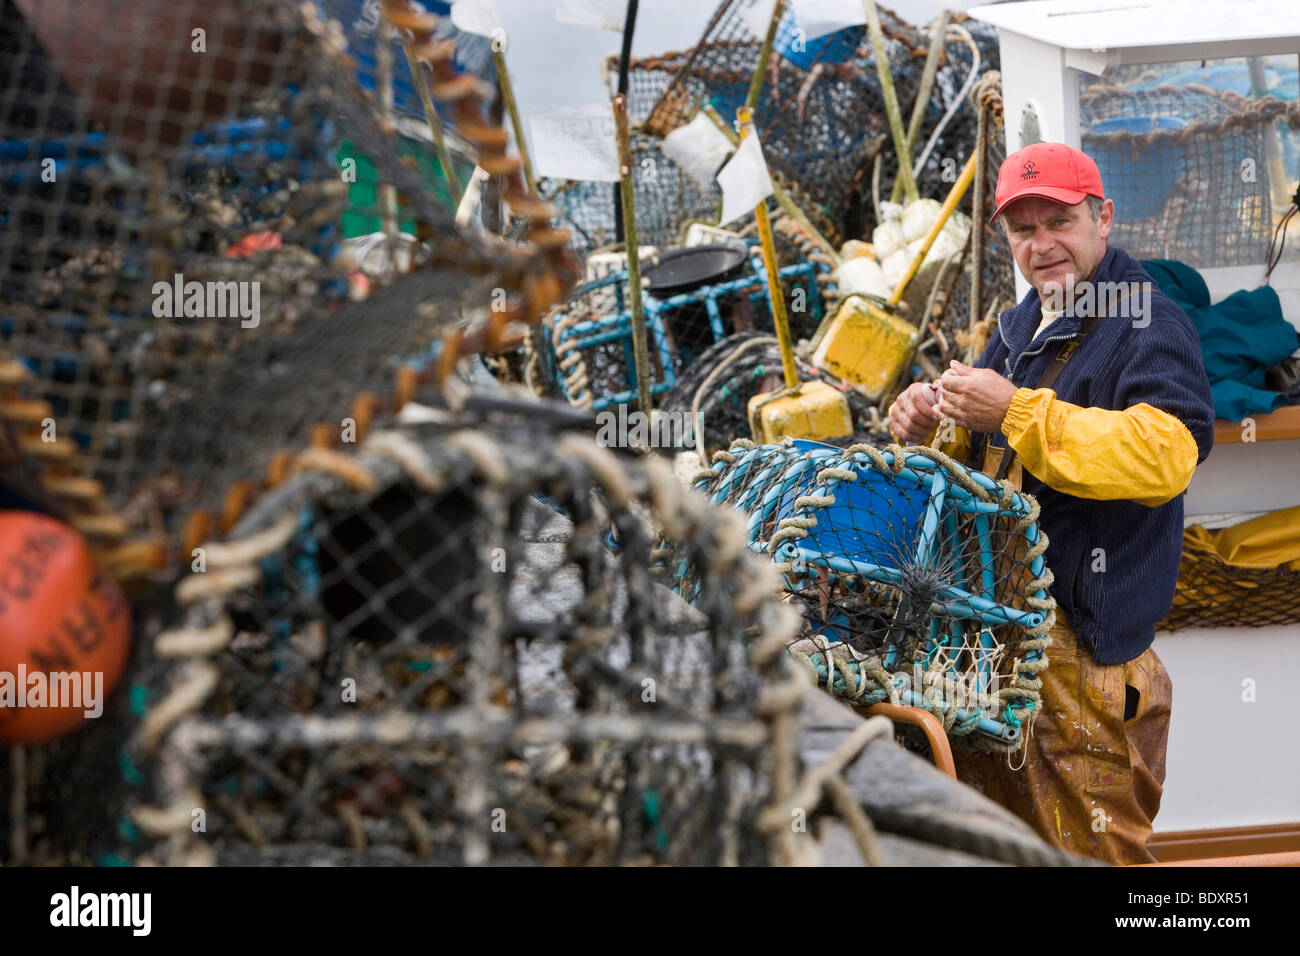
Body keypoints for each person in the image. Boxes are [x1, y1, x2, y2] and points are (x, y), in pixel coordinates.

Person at [887, 141, 1216, 864]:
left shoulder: (1146, 322)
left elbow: (1166, 457)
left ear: (1103, 217)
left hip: (1086, 669)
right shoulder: (1016, 330)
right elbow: (983, 482)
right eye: (1022, 230)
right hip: (1001, 652)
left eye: (1059, 221)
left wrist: (1015, 410)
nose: (1043, 245)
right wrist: (929, 425)